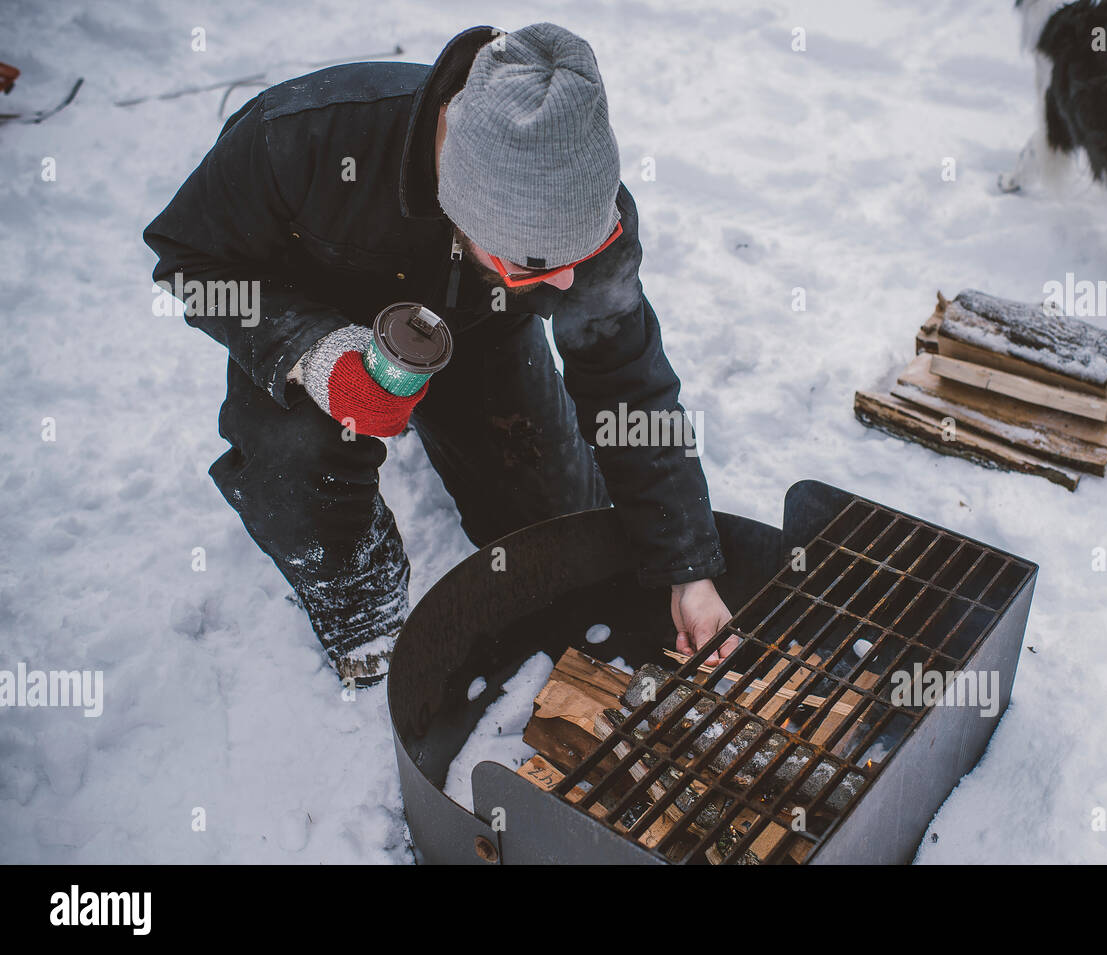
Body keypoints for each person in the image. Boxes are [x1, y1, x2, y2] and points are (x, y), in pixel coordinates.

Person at [143, 23, 739, 685]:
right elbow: (189, 260)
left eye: (580, 257)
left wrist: (685, 565)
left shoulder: (582, 218)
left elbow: (628, 382)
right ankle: (361, 606)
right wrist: (314, 353)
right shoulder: (298, 138)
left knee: (556, 529)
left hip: (481, 337)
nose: (568, 282)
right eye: (536, 264)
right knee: (299, 467)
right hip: (319, 330)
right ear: (463, 209)